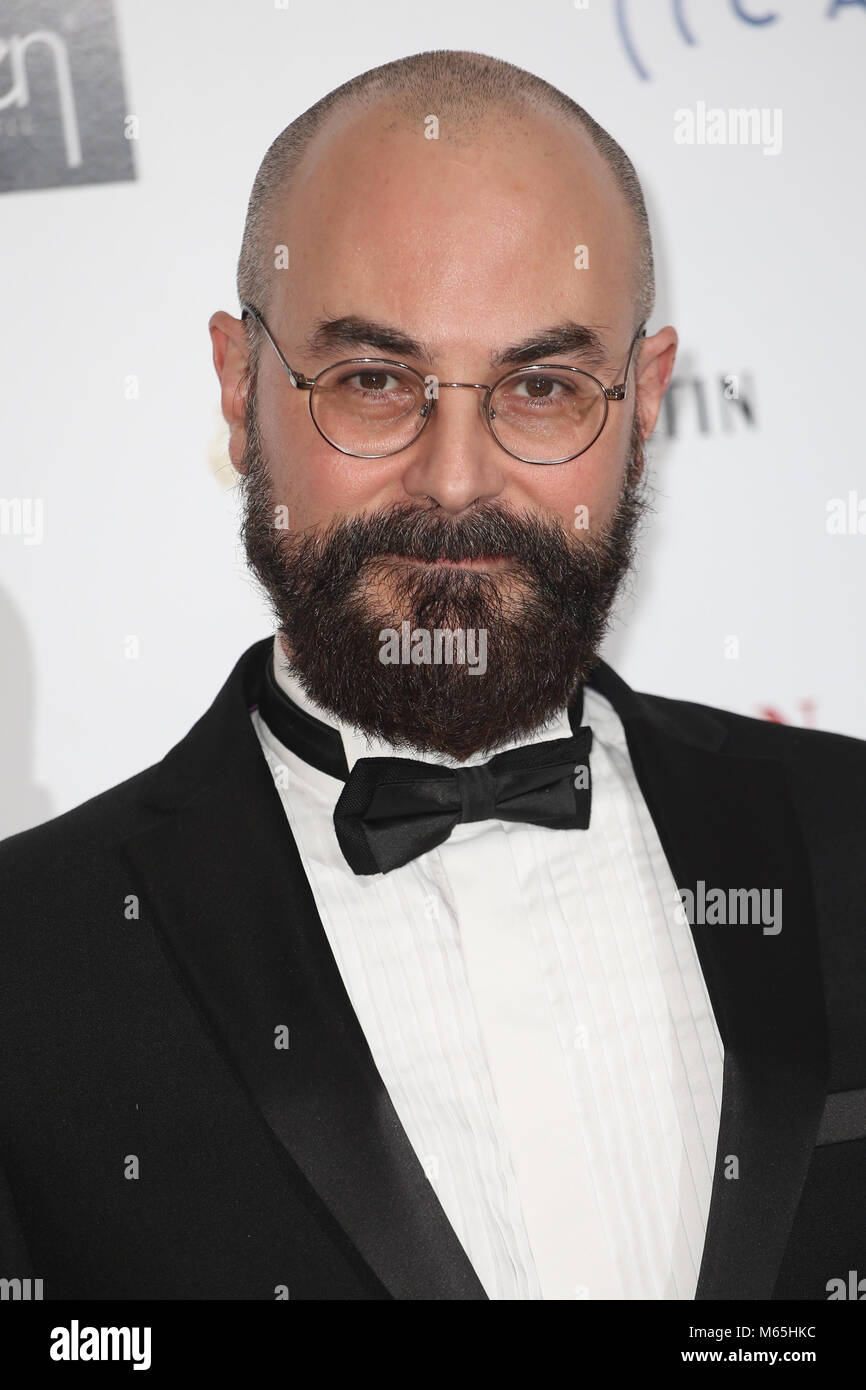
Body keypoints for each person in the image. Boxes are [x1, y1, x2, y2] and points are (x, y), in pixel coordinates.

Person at [1, 48, 864, 1303]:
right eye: (371, 381)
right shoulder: (31, 965)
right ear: (241, 387)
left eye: (541, 387)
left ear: (643, 401)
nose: (455, 482)